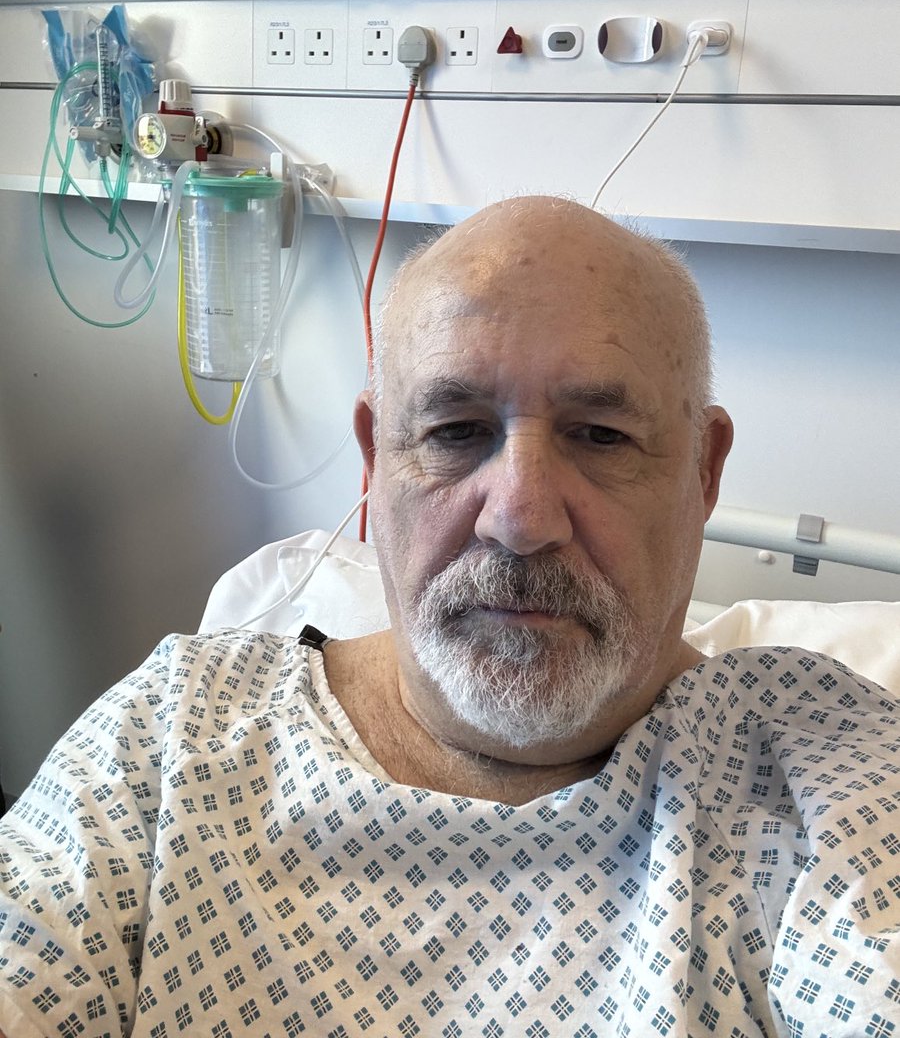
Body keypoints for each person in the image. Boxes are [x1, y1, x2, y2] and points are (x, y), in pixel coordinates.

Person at [1, 196, 898, 1037]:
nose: (521, 518)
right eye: (455, 431)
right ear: (373, 461)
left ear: (703, 472)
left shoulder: (830, 777)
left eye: (601, 436)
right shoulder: (173, 735)